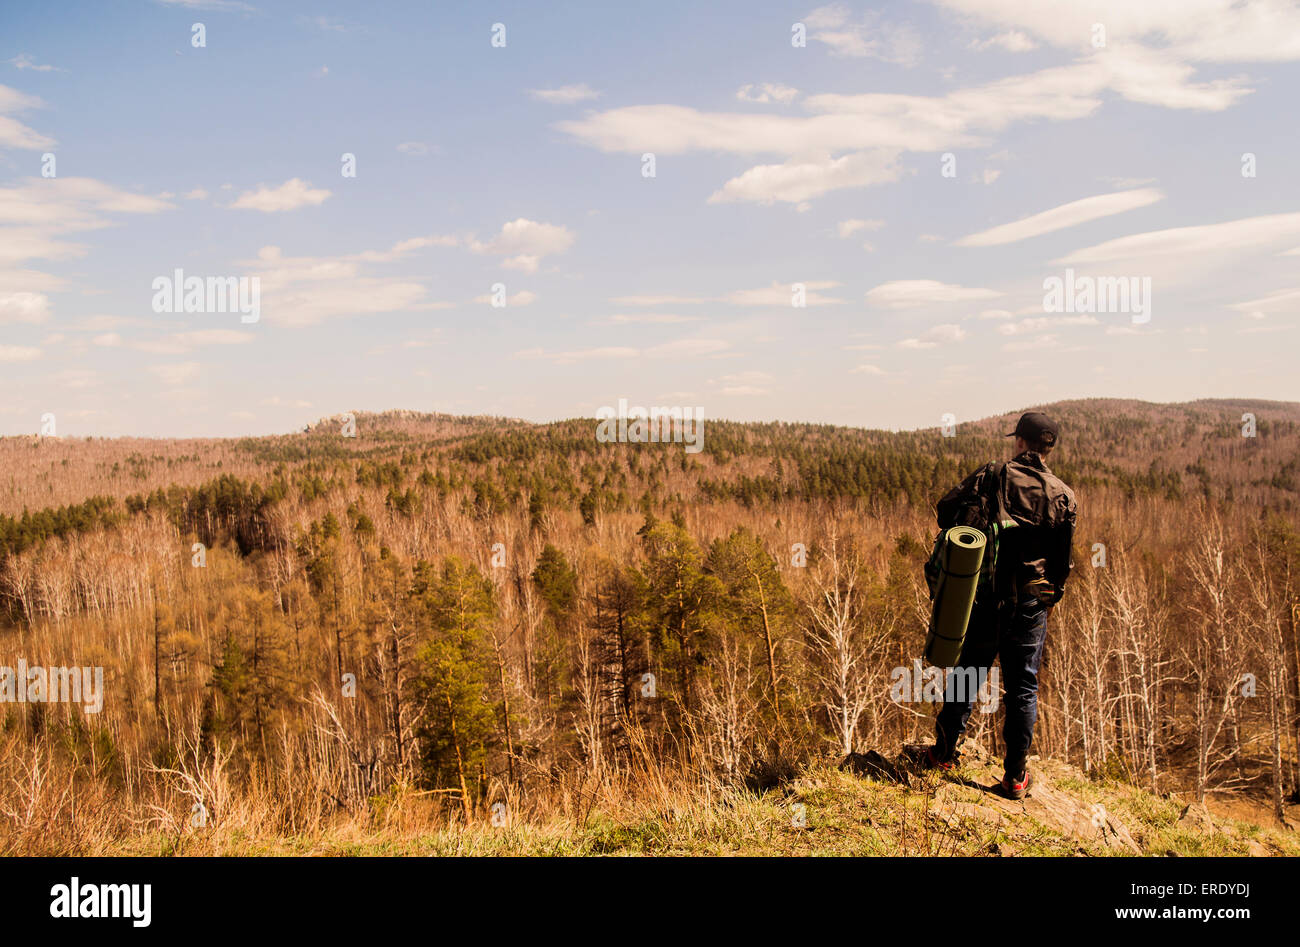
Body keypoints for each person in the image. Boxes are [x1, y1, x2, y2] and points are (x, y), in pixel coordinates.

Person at [923, 411, 1077, 799]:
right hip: (1031, 601)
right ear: (1048, 449)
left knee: (968, 674)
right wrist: (1049, 597)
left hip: (987, 593)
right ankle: (1015, 776)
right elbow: (1062, 562)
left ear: (1020, 442)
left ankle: (944, 753)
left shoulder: (992, 475)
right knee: (1023, 686)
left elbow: (945, 510)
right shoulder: (1064, 495)